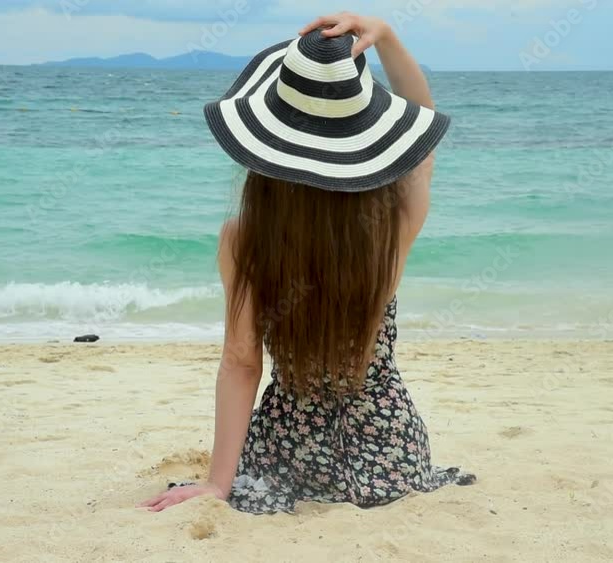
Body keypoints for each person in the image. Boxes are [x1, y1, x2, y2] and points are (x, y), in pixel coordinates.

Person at [140, 12, 474, 515]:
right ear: (370, 141)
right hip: (387, 452)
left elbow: (241, 361)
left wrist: (217, 483)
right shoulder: (388, 231)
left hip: (284, 452)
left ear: (265, 148)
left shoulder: (244, 239)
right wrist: (387, 38)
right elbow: (421, 139)